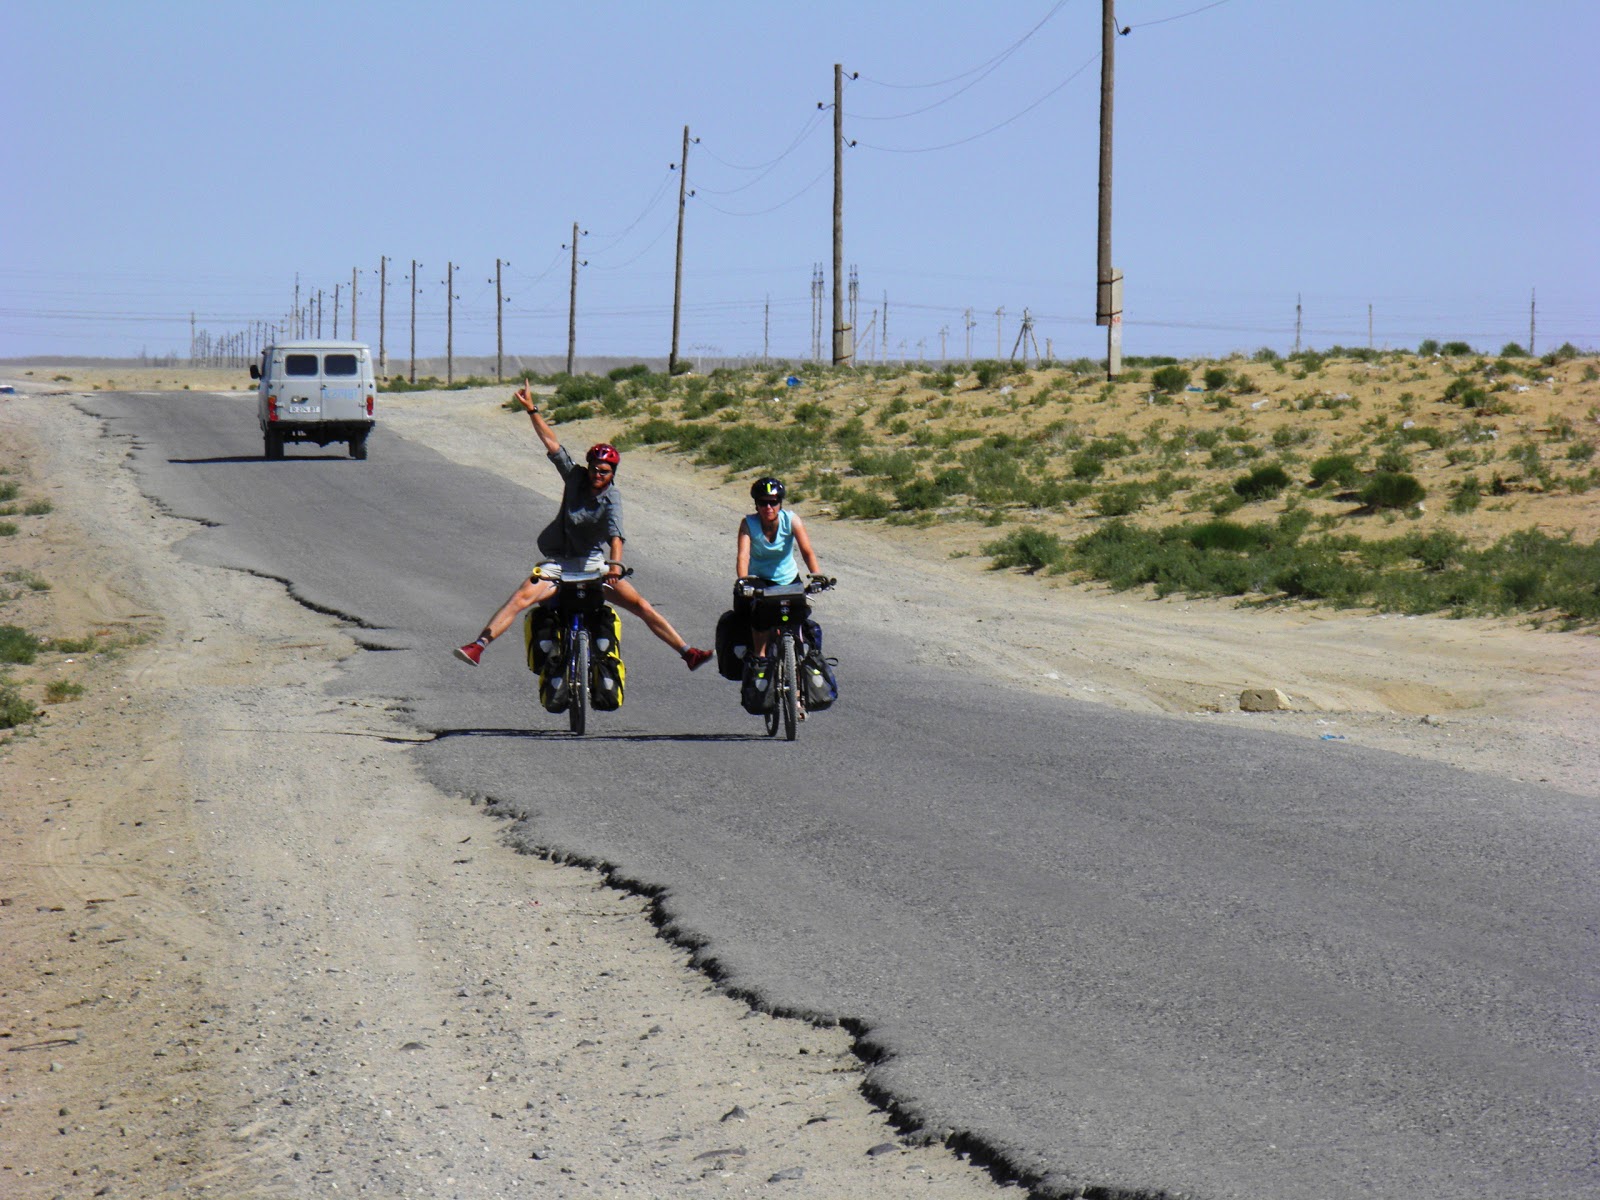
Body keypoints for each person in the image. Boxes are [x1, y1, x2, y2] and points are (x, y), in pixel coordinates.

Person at [455, 385, 712, 670]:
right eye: (594, 468)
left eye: (604, 471)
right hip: (559, 563)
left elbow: (616, 535)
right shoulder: (575, 477)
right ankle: (478, 646)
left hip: (593, 564)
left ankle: (688, 652)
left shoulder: (612, 497)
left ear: (613, 474)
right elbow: (552, 444)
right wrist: (532, 409)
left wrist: (615, 566)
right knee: (519, 598)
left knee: (640, 604)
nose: (597, 475)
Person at [734, 476, 827, 661]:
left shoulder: (791, 520)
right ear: (756, 504)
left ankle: (799, 668)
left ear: (780, 503)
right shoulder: (748, 524)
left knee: (798, 619)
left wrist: (817, 576)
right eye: (763, 503)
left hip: (789, 580)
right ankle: (759, 659)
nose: (768, 507)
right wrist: (743, 580)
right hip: (761, 580)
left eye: (773, 502)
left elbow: (807, 551)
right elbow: (743, 556)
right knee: (757, 617)